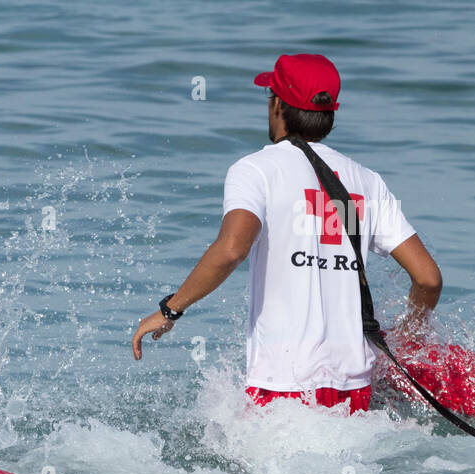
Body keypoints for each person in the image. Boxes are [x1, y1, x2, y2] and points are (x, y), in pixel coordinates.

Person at [131, 53, 443, 413]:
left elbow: (232, 249)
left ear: (277, 105)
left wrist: (170, 310)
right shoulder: (367, 181)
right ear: (330, 114)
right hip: (355, 385)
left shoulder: (256, 170)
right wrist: (410, 336)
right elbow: (428, 278)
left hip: (283, 384)